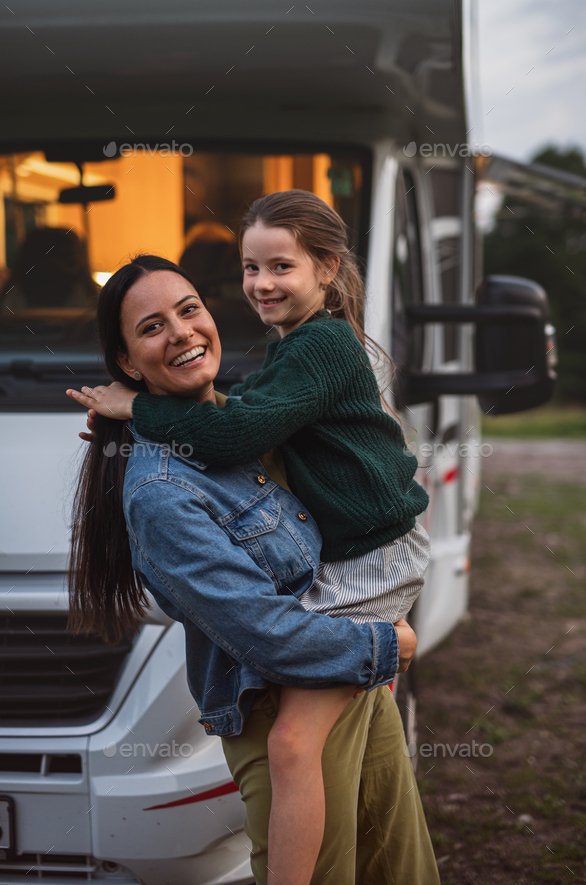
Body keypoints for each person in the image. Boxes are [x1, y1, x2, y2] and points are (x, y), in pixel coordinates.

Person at [69, 190, 432, 885]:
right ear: (126, 361)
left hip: (351, 664)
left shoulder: (270, 384)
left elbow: (237, 427)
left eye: (187, 309)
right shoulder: (161, 492)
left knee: (402, 869)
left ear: (326, 270)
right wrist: (388, 643)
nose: (180, 331)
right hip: (297, 695)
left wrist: (140, 410)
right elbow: (267, 632)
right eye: (152, 327)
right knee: (299, 758)